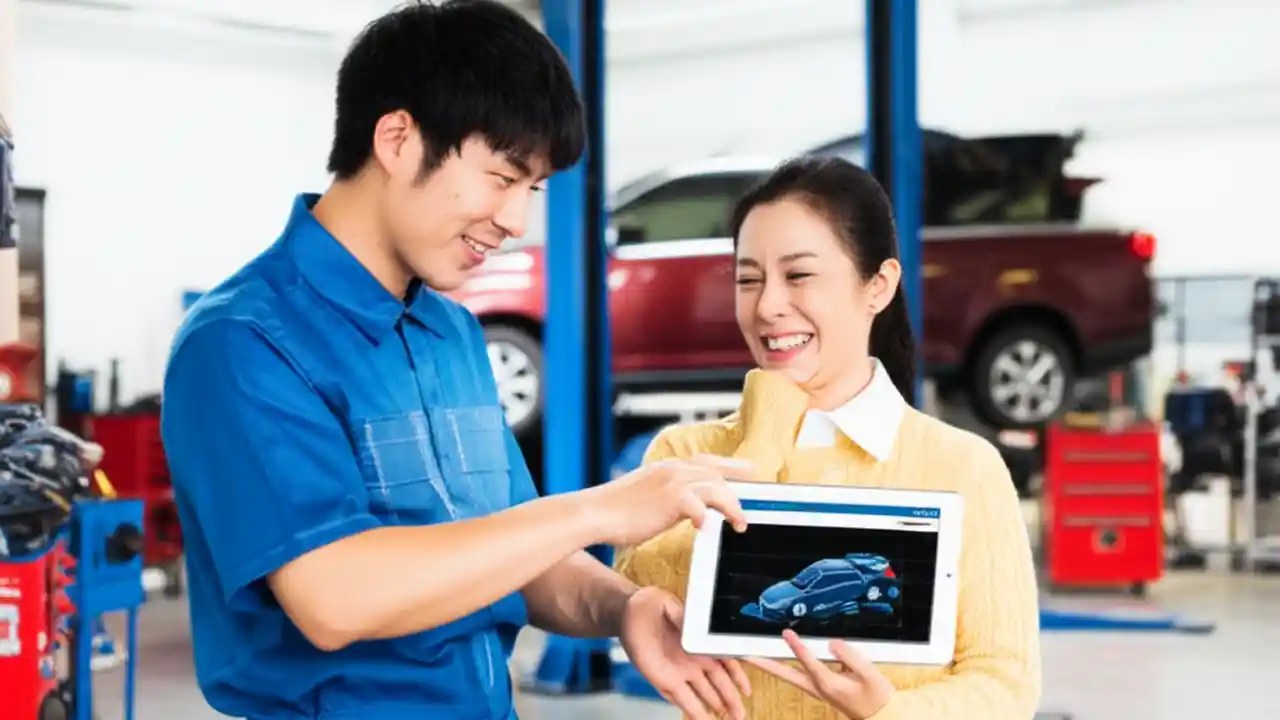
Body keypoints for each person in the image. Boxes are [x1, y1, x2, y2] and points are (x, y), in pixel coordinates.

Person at [159, 3, 758, 719]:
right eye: (503, 178)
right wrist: (600, 508)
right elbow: (334, 597)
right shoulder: (244, 343)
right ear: (398, 139)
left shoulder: (453, 334)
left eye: (533, 189)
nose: (516, 221)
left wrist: (625, 609)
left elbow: (519, 557)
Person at [614, 156, 1043, 720]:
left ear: (878, 285)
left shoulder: (963, 467)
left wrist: (886, 711)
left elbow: (1004, 687)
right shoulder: (683, 457)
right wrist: (762, 443)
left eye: (799, 276)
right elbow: (654, 609)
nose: (767, 306)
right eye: (748, 279)